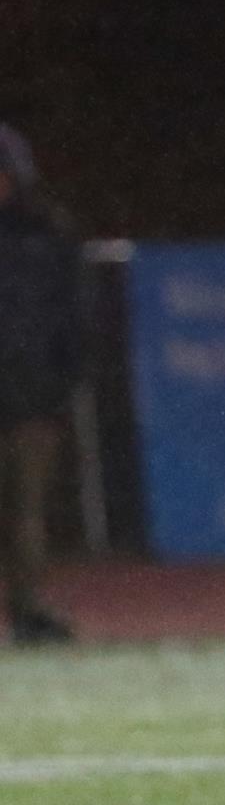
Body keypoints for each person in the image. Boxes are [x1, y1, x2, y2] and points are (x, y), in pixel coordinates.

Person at [0, 124, 80, 644]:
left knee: (25, 509)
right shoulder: (47, 235)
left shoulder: (48, 235)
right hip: (32, 387)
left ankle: (27, 612)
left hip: (30, 394)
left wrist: (62, 380)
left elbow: (73, 319)